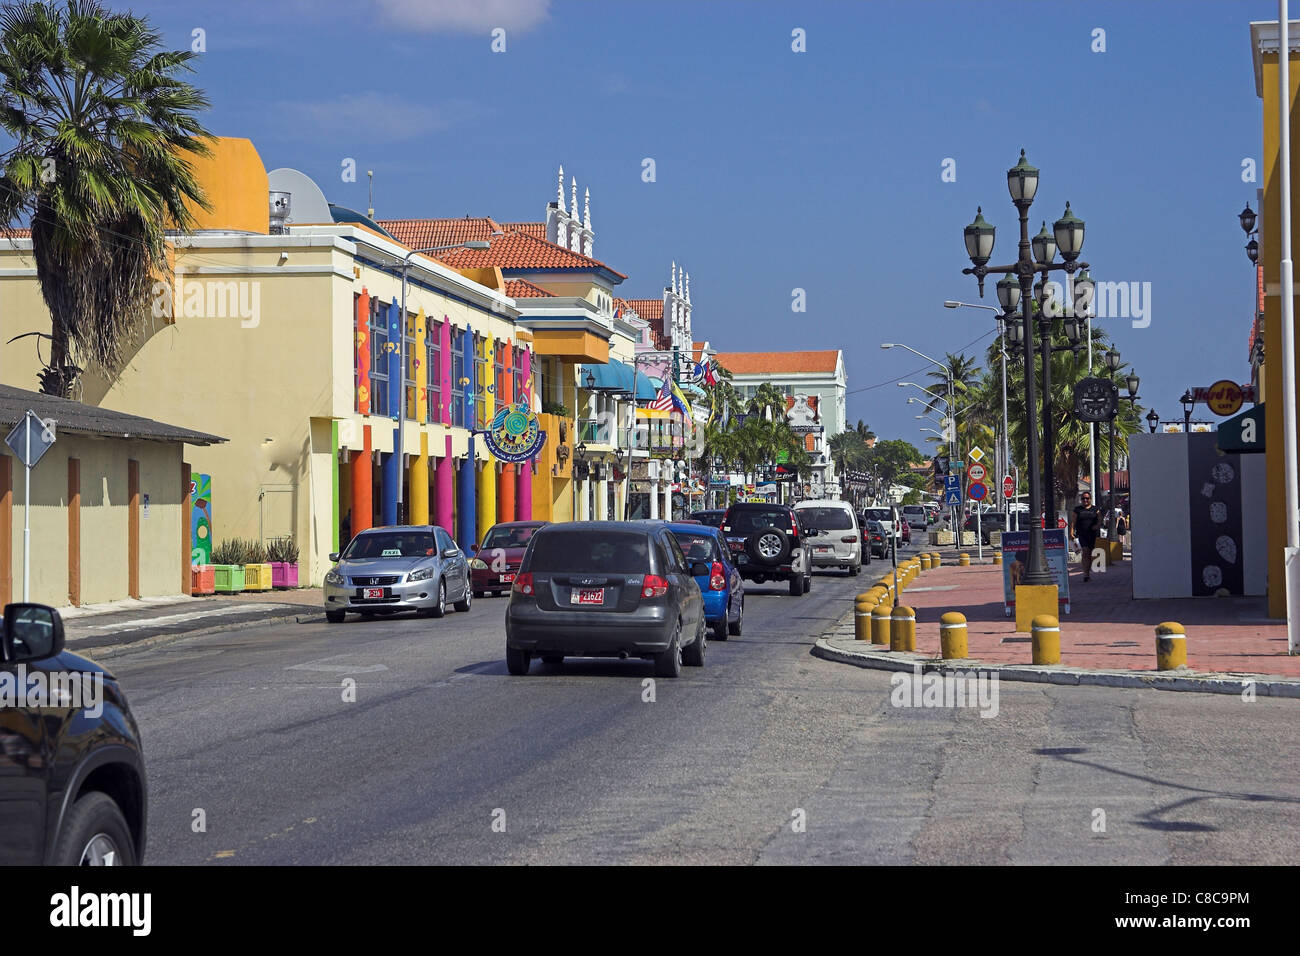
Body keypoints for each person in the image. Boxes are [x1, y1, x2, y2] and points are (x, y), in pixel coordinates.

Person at [1071, 492, 1101, 582]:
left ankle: (1087, 573)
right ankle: (1085, 574)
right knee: (1085, 552)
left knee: (1089, 554)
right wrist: (1071, 532)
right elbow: (1073, 522)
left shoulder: (1095, 509)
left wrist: (1097, 526)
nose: (1085, 500)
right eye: (1083, 498)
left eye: (1087, 498)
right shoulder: (1077, 509)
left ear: (1090, 499)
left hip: (1092, 534)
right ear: (1081, 500)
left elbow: (1100, 519)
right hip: (1082, 534)